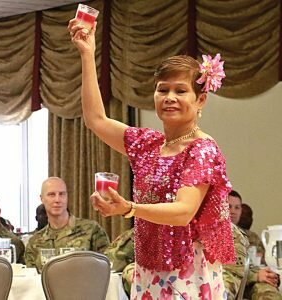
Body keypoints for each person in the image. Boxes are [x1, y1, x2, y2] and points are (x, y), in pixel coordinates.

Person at [69, 19, 235, 298]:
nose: (169, 97)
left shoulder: (203, 149)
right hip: (148, 270)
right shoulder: (148, 144)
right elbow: (95, 119)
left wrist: (129, 209)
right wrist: (87, 53)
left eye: (180, 91)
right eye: (162, 89)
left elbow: (183, 212)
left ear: (201, 100)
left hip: (188, 274)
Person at [24, 177, 110, 272]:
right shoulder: (35, 242)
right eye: (51, 195)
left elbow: (107, 268)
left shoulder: (91, 230)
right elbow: (31, 280)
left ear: (67, 197)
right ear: (42, 199)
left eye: (62, 194)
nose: (57, 199)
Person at [228, 191, 265, 261]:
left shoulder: (252, 237)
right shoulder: (211, 236)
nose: (233, 211)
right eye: (229, 206)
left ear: (241, 210)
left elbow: (265, 258)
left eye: (237, 207)